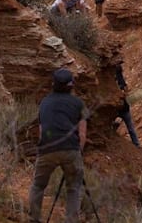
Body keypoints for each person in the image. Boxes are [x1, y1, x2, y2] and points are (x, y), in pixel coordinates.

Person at [28, 69, 86, 223]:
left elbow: (42, 132)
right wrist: (78, 152)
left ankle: (34, 219)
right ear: (71, 85)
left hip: (48, 147)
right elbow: (82, 133)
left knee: (38, 186)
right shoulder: (78, 103)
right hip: (70, 149)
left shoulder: (44, 103)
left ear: (53, 84)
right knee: (74, 188)